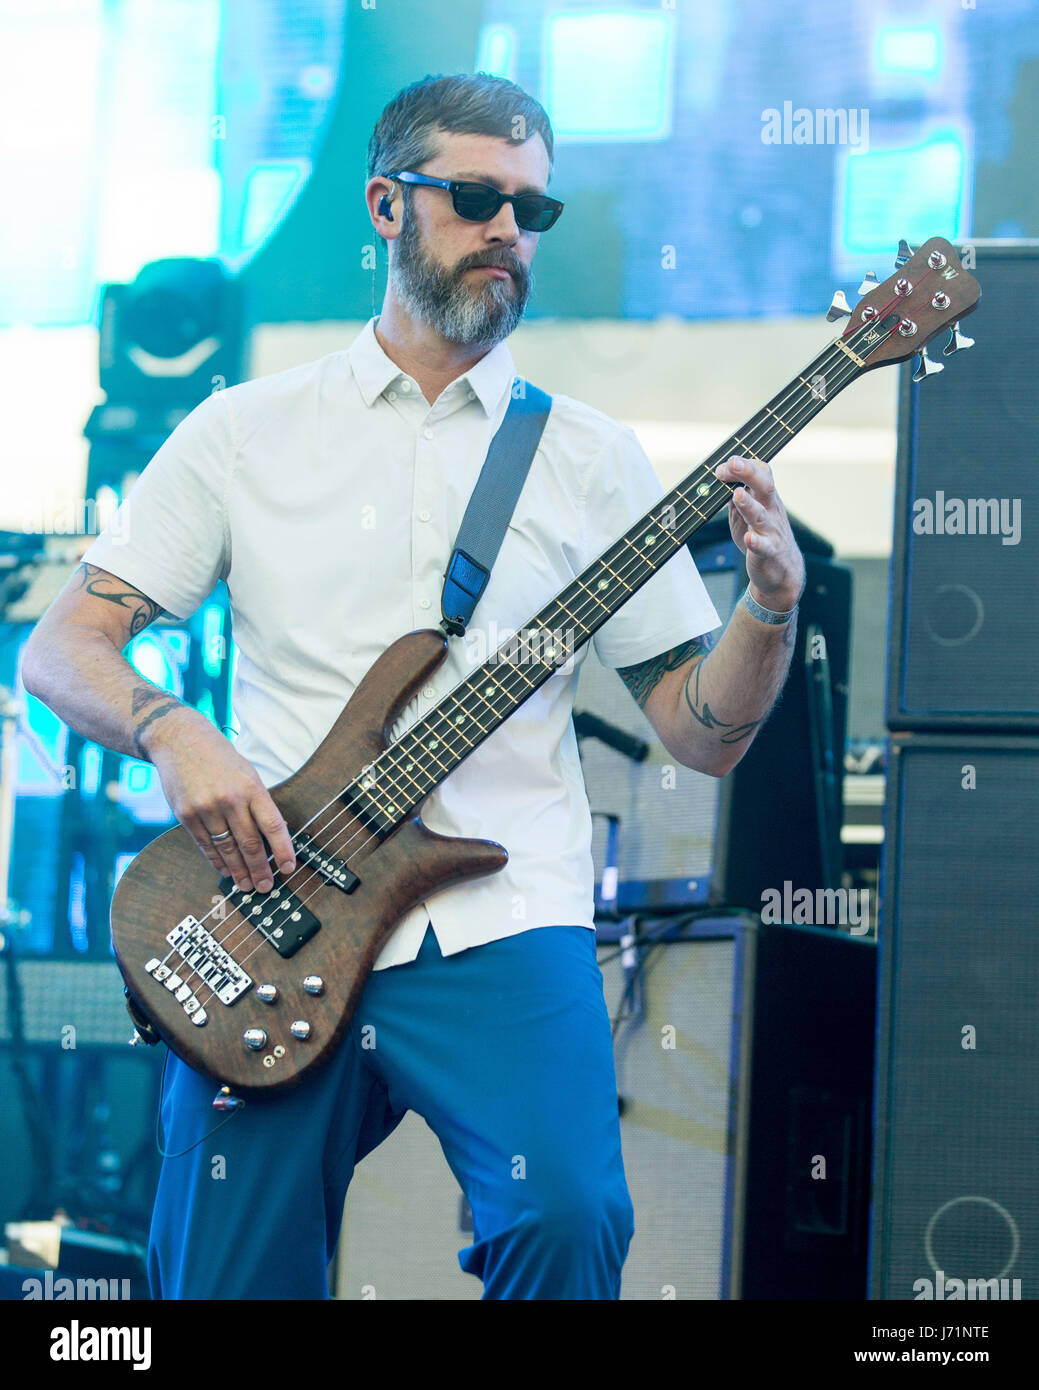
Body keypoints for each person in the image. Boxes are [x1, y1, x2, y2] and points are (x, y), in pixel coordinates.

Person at [21, 72, 806, 1300]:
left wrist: (767, 607)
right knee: (224, 1276)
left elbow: (698, 734)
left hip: (504, 915)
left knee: (570, 1216)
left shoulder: (591, 458)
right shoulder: (242, 431)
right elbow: (61, 649)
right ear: (387, 205)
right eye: (476, 200)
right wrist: (177, 733)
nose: (507, 231)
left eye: (530, 211)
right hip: (277, 911)